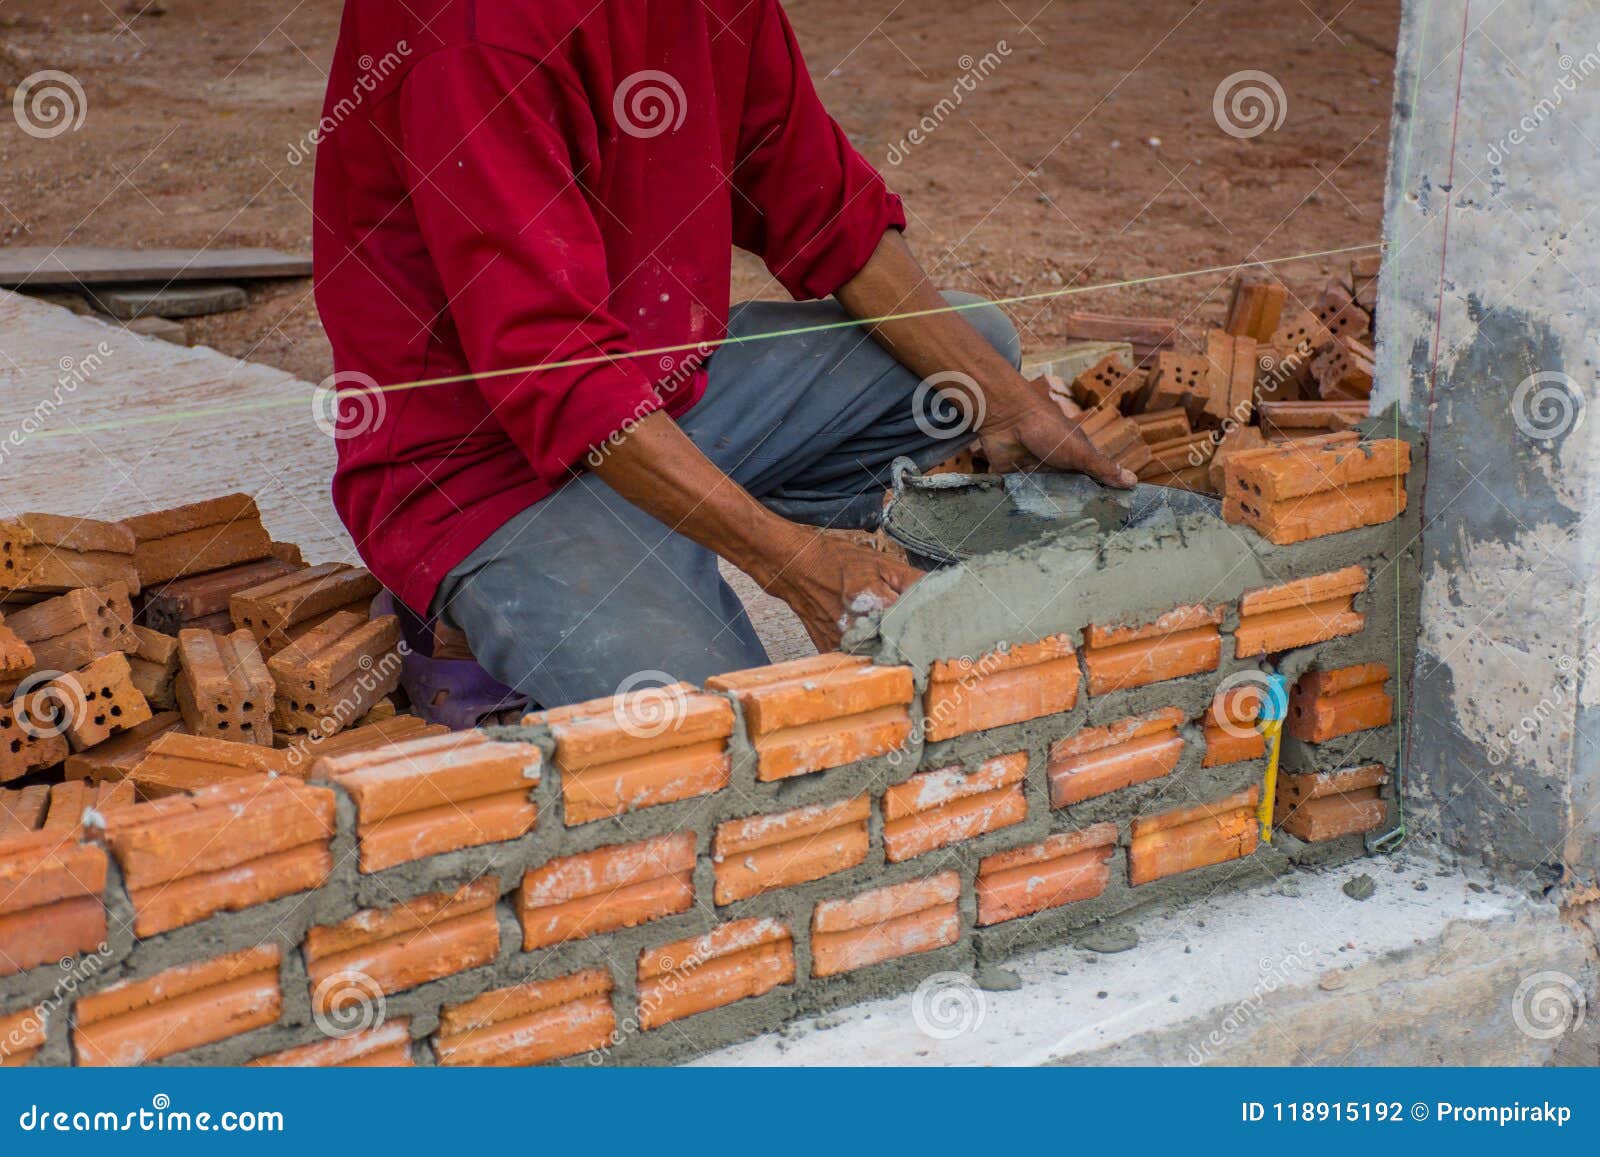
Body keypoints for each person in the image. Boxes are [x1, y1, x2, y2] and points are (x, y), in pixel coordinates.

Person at [313, 0, 1132, 712]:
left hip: (652, 392)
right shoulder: (472, 35)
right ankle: (469, 607)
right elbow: (555, 372)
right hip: (482, 477)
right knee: (711, 735)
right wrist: (793, 563)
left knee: (969, 358)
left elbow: (822, 204)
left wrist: (1016, 406)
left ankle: (665, 517)